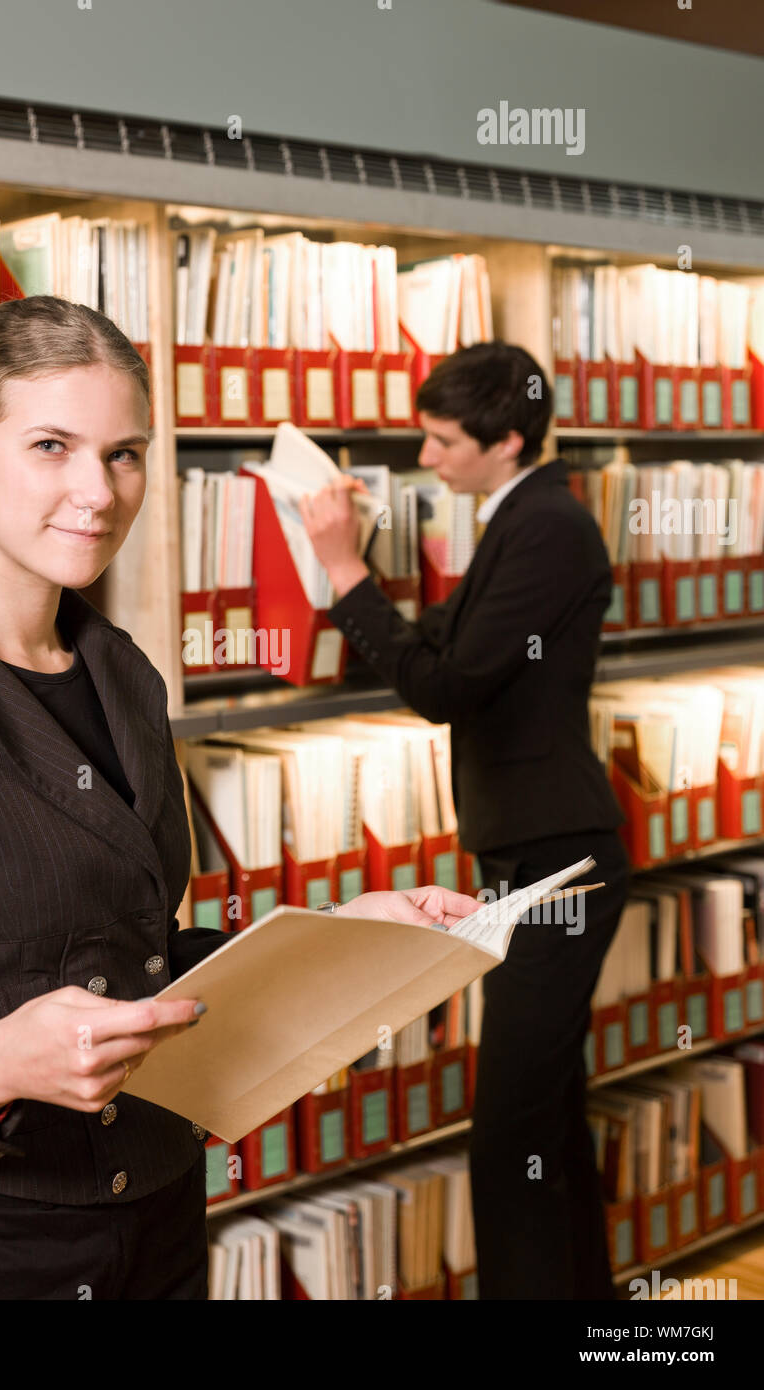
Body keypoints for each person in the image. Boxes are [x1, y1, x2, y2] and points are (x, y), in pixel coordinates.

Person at [0, 294, 479, 1301]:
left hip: (156, 1215)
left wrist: (337, 938)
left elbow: (131, 962)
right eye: (51, 445)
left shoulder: (127, 675)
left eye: (123, 453)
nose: (96, 492)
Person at [301, 340, 631, 1300]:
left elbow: (445, 686)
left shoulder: (549, 528)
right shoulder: (518, 515)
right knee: (549, 1122)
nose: (426, 457)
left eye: (442, 440)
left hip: (558, 865)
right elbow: (450, 640)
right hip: (529, 854)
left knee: (512, 1137)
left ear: (508, 439)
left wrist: (342, 573)